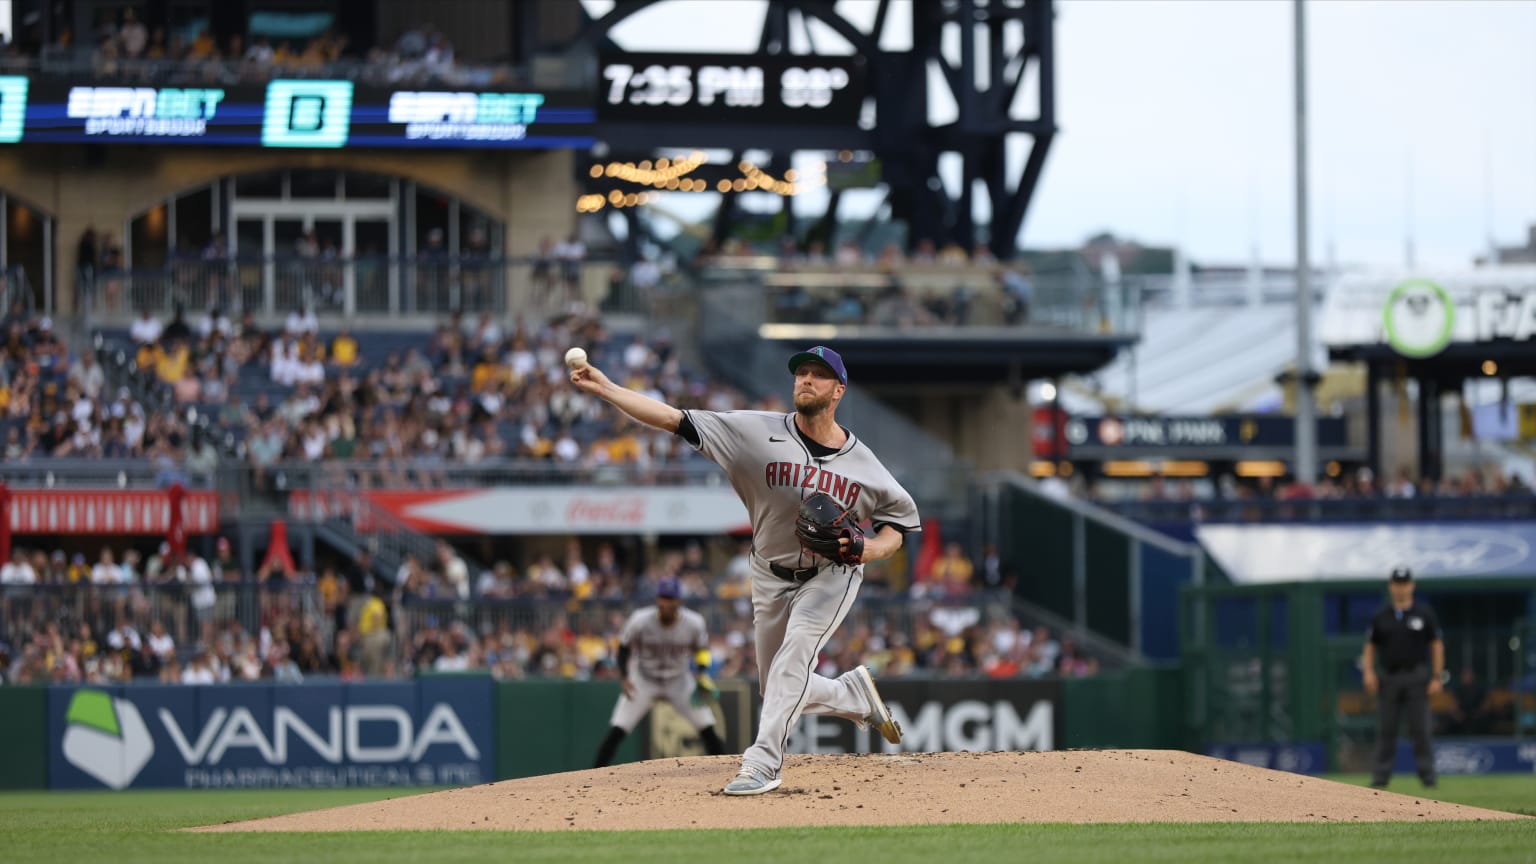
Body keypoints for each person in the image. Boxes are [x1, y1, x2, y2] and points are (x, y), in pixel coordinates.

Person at [570, 344, 920, 795]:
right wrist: (609, 388)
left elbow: (900, 526)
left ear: (838, 390)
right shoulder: (753, 431)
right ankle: (851, 695)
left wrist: (866, 549)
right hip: (770, 574)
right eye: (801, 373)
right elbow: (674, 419)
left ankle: (762, 763)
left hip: (832, 574)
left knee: (793, 659)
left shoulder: (864, 464)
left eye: (817, 375)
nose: (805, 380)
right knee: (776, 684)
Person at [592, 577, 727, 768]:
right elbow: (624, 648)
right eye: (663, 597)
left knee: (707, 728)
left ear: (678, 601)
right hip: (644, 680)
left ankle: (724, 772)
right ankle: (592, 777)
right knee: (618, 729)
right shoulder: (640, 620)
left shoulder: (693, 623)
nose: (665, 602)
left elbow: (702, 650)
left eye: (670, 598)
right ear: (657, 599)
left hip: (679, 681)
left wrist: (702, 672)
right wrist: (625, 677)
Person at [1361, 566, 1444, 788]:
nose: (1401, 587)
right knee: (1386, 729)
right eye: (1397, 583)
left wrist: (1437, 676)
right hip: (1389, 677)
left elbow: (1436, 644)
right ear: (1391, 586)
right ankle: (1380, 776)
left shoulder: (1424, 613)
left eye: (1404, 583)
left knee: (1421, 729)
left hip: (1417, 676)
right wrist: (1368, 672)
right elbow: (1370, 646)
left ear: (1412, 585)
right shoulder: (1381, 616)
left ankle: (1428, 776)